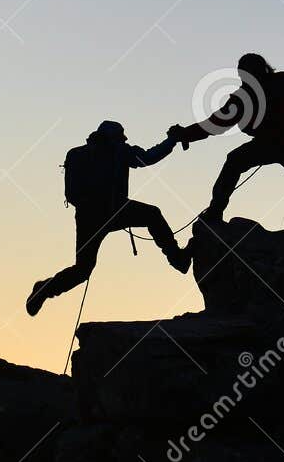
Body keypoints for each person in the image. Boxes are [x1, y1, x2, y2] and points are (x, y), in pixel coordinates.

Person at [26, 121, 191, 316]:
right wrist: (172, 140)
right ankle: (178, 259)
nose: (124, 141)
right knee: (152, 215)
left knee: (83, 269)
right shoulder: (119, 152)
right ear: (114, 138)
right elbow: (148, 157)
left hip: (90, 218)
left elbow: (71, 193)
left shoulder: (77, 154)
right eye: (121, 138)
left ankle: (45, 289)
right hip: (113, 211)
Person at [175, 39, 284, 221]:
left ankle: (214, 212)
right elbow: (215, 124)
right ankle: (215, 212)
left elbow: (215, 124)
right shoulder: (269, 86)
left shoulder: (261, 90)